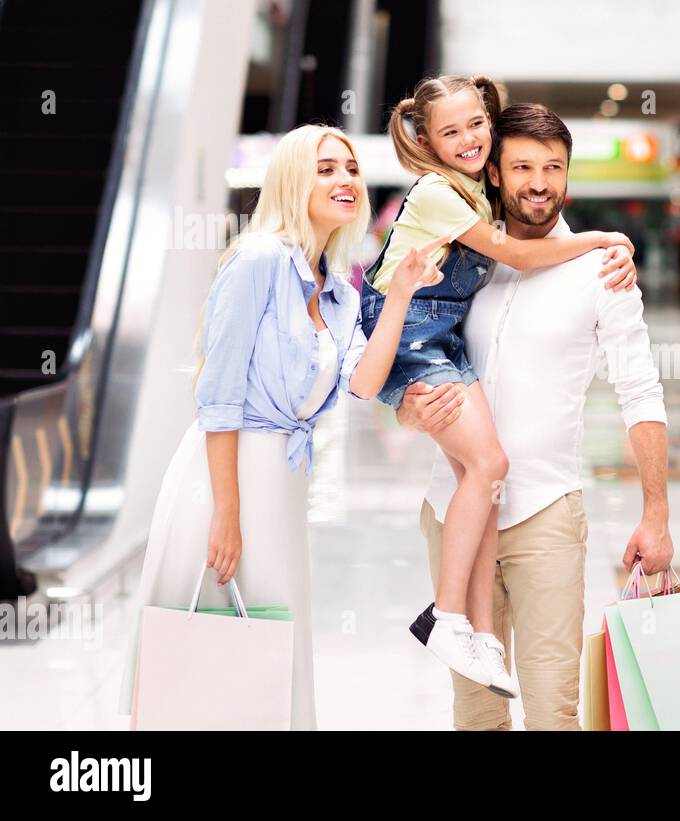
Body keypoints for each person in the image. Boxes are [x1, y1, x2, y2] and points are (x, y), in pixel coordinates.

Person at [120, 124, 446, 730]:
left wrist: (399, 293)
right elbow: (217, 397)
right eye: (326, 168)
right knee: (204, 639)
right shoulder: (257, 259)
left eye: (350, 168)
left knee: (269, 640)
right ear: (293, 180)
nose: (345, 179)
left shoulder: (342, 292)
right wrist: (225, 511)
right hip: (223, 480)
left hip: (281, 484)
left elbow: (363, 383)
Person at [397, 103, 673, 730]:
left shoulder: (602, 269)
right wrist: (410, 414)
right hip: (454, 513)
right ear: (493, 173)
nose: (539, 182)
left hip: (544, 514)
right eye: (522, 166)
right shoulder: (460, 259)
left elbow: (641, 393)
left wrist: (656, 513)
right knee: (476, 713)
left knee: (553, 711)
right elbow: (410, 365)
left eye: (554, 167)